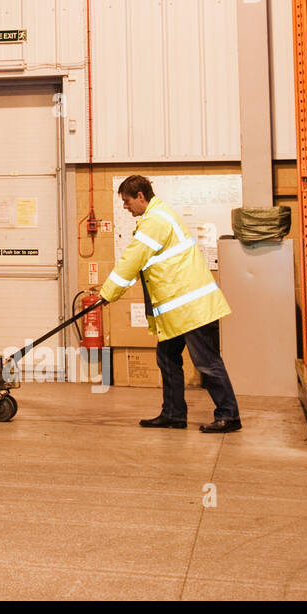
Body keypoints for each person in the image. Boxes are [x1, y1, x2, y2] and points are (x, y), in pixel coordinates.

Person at [97, 175, 242, 433]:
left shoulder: (155, 221)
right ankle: (174, 414)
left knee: (207, 362)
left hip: (192, 308)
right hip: (178, 310)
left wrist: (108, 293)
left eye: (127, 201)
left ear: (140, 196)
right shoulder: (157, 217)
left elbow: (132, 260)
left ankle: (229, 416)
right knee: (167, 358)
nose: (125, 207)